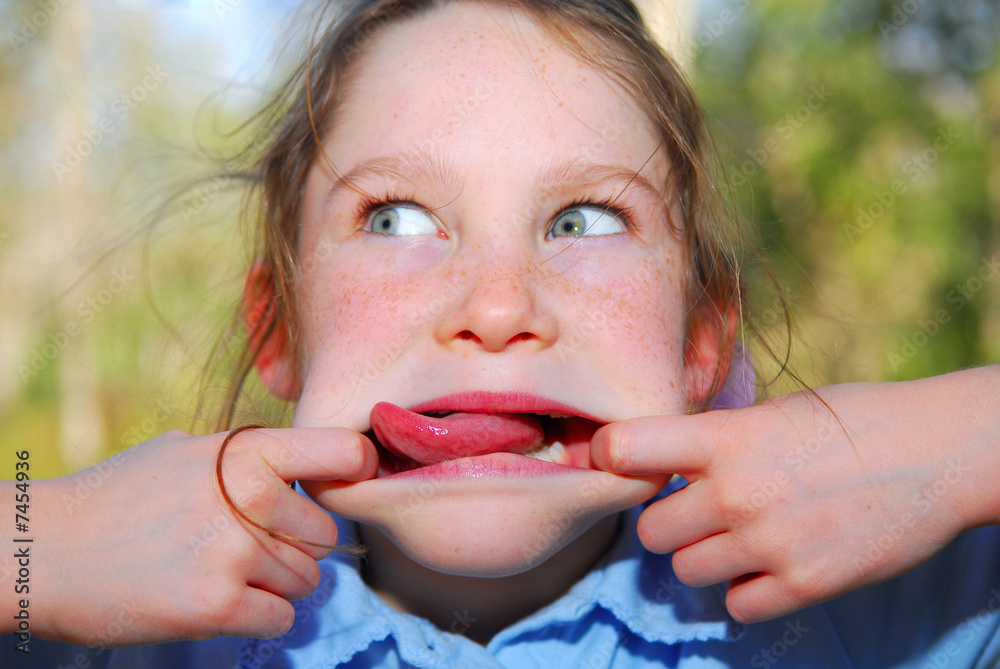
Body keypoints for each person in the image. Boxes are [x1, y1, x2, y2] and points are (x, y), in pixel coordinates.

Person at [2, 0, 999, 666]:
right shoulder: (107, 616)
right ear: (281, 329)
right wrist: (33, 546)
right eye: (394, 218)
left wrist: (960, 439)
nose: (495, 307)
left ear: (701, 340)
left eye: (583, 221)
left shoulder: (889, 609)